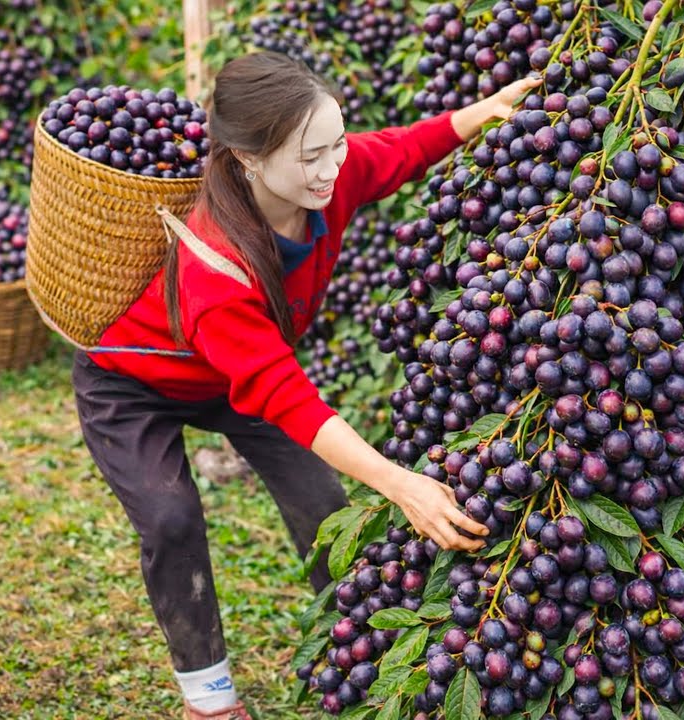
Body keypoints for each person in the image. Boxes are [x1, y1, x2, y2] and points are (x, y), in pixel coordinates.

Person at [72, 52, 541, 719]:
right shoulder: (216, 267)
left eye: (336, 145)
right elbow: (284, 395)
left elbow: (396, 152)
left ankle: (353, 646)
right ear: (247, 158)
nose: (331, 168)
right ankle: (208, 700)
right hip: (131, 380)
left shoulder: (328, 181)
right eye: (310, 156)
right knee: (171, 518)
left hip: (235, 375)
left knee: (324, 509)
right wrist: (400, 482)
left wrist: (479, 114)